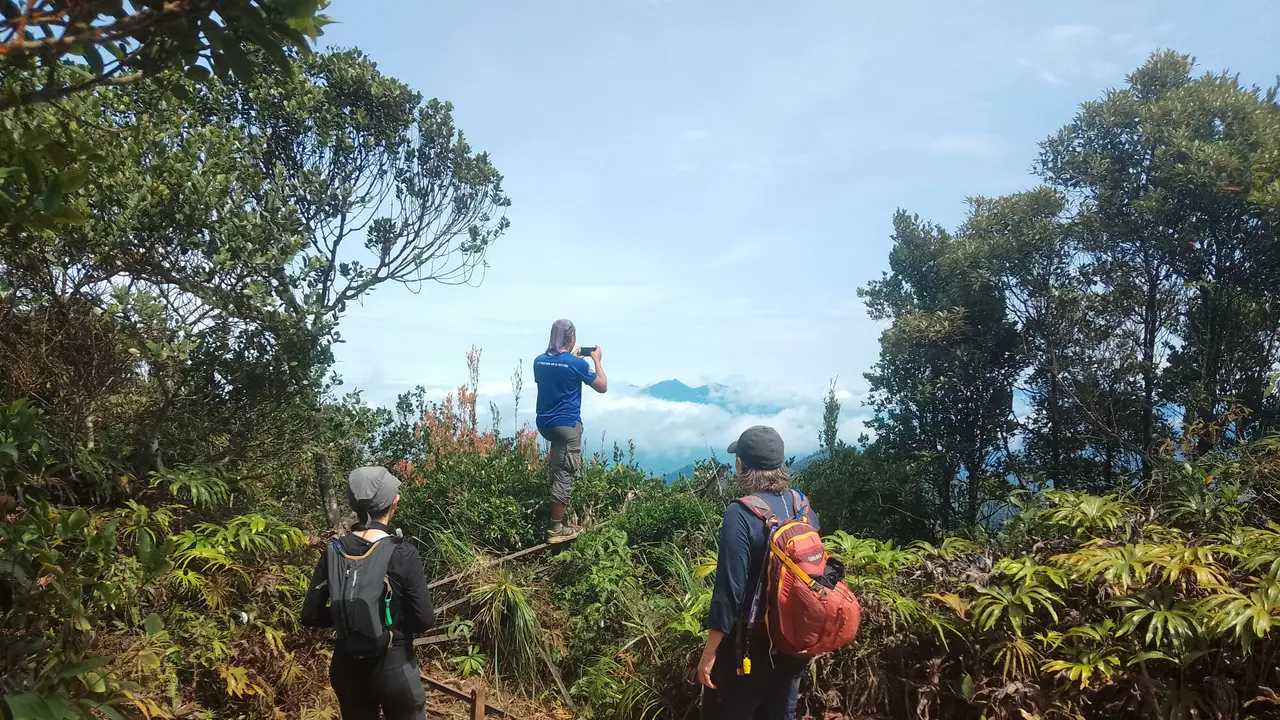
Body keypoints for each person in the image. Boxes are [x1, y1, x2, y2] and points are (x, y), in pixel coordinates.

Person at [698, 426, 819, 720]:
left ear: (741, 466)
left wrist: (708, 654)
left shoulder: (741, 513)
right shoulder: (802, 506)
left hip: (749, 649)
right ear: (781, 465)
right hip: (794, 640)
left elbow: (728, 591)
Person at [302, 467, 435, 720]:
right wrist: (385, 618)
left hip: (346, 668)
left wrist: (348, 613)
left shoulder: (333, 552)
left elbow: (310, 614)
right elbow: (424, 619)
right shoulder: (403, 552)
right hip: (394, 666)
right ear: (393, 503)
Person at [533, 318, 607, 543]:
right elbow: (602, 386)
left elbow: (555, 375)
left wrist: (571, 361)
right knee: (566, 472)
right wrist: (596, 360)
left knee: (558, 466)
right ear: (571, 337)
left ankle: (554, 514)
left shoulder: (539, 361)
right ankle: (556, 528)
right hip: (567, 426)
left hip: (545, 424)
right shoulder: (577, 365)